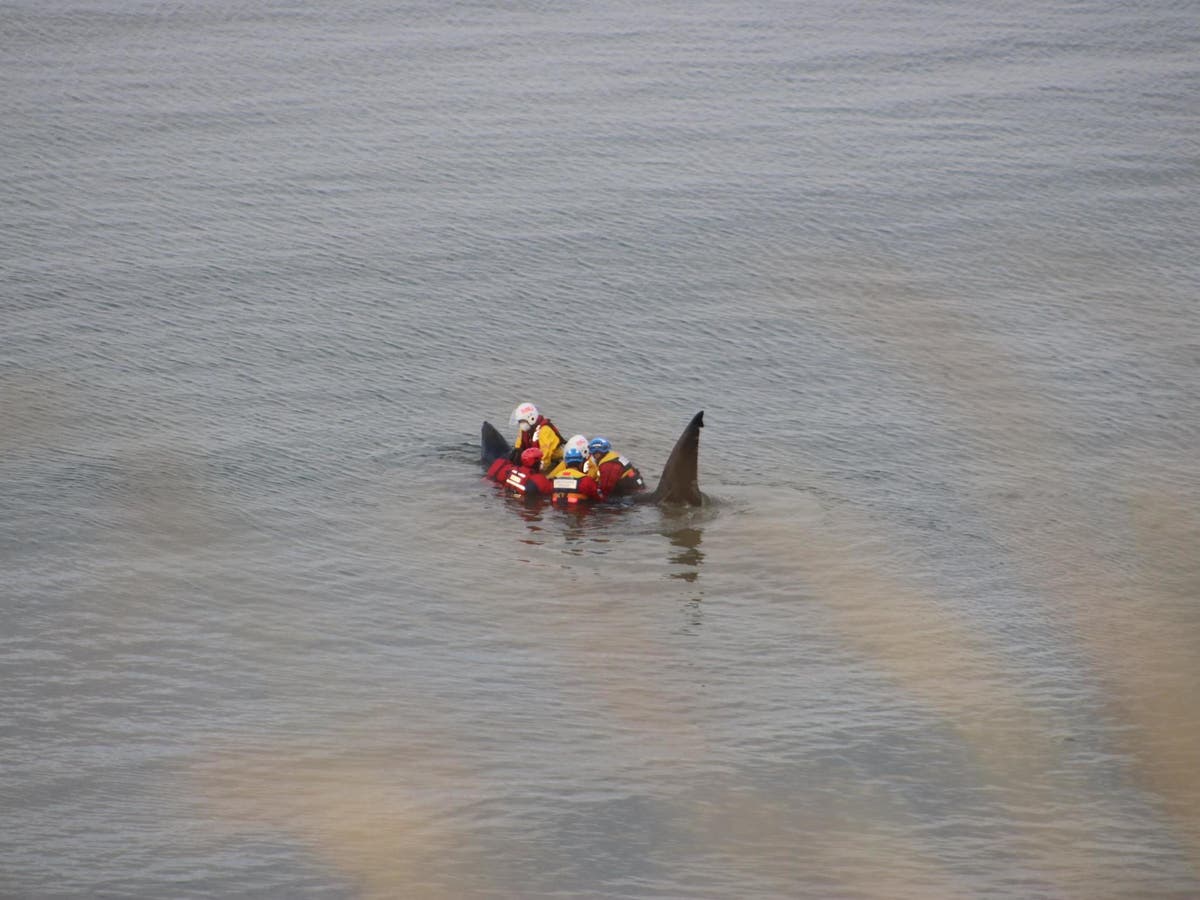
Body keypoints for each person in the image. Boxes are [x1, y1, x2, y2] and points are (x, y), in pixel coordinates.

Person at [511, 402, 564, 470]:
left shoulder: (544, 430)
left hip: (554, 462)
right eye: (519, 422)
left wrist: (535, 471)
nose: (521, 424)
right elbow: (518, 448)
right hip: (535, 459)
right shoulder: (524, 430)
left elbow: (545, 458)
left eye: (522, 421)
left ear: (531, 418)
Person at [486, 447, 554, 499]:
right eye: (540, 460)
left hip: (511, 498)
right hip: (525, 506)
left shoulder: (512, 470)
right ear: (536, 463)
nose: (541, 462)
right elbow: (551, 489)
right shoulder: (539, 480)